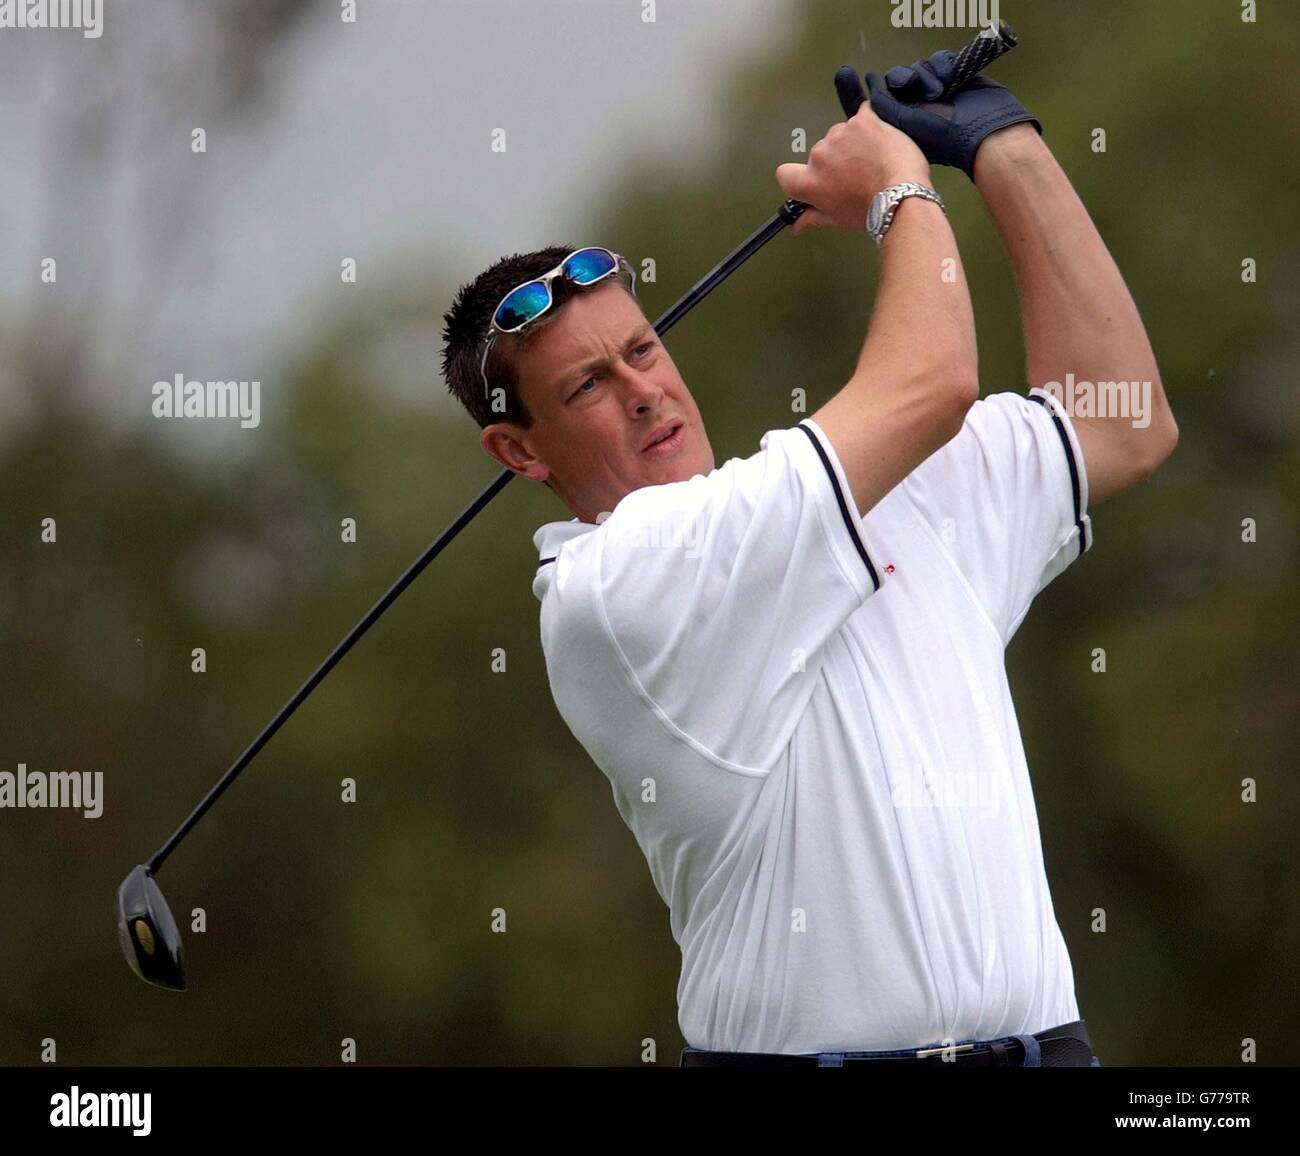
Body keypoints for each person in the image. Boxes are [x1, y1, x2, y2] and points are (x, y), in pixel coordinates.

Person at [438, 57, 1176, 1067]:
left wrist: (1004, 146)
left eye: (643, 350)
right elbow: (933, 383)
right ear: (517, 450)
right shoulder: (614, 590)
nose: (642, 391)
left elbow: (1118, 420)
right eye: (585, 387)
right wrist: (897, 188)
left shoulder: (861, 494)